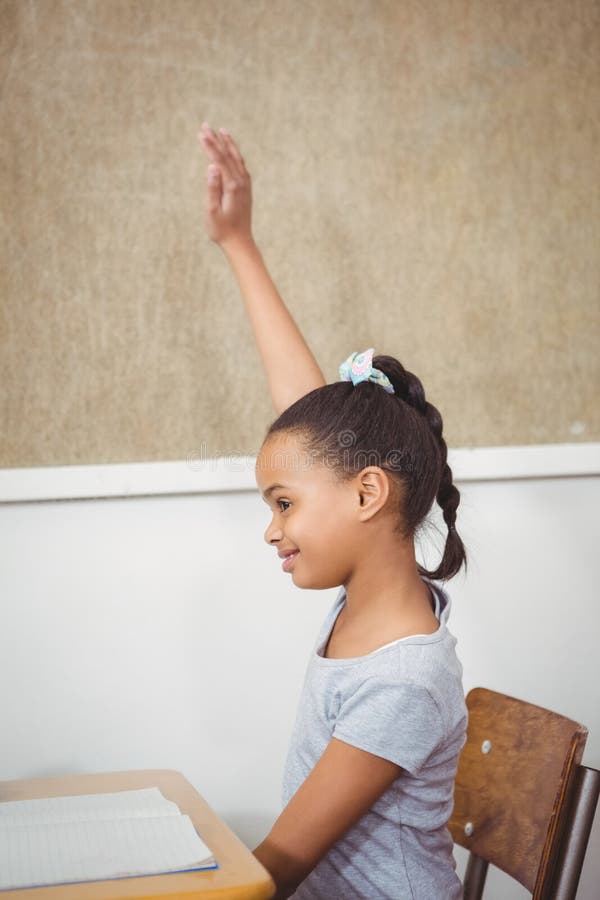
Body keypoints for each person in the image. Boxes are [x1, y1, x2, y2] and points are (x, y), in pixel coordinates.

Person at [198, 122, 468, 900]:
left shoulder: (404, 677)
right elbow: (310, 433)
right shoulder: (374, 601)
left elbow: (279, 866)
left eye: (283, 504)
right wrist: (238, 244)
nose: (271, 528)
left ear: (367, 494)